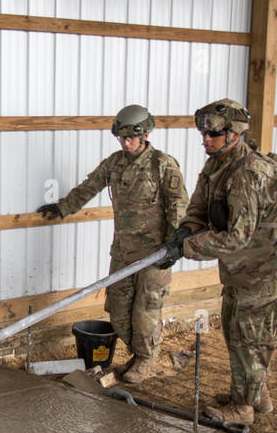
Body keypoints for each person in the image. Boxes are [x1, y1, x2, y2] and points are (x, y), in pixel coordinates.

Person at [164, 99, 277, 425]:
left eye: (214, 133)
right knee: (236, 330)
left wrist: (186, 249)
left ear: (234, 133)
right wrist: (182, 233)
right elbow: (198, 210)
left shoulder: (249, 173)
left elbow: (235, 237)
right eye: (203, 132)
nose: (206, 139)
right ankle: (256, 395)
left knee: (251, 337)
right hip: (243, 267)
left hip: (268, 267)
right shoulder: (216, 165)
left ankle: (243, 409)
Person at [36, 105, 189, 383]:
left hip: (155, 257)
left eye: (130, 138)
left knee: (145, 314)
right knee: (118, 313)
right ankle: (136, 354)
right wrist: (62, 208)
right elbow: (89, 186)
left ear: (145, 135)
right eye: (121, 138)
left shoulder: (163, 165)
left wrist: (176, 244)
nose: (125, 143)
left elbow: (179, 206)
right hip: (123, 254)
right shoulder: (114, 163)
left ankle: (145, 360)